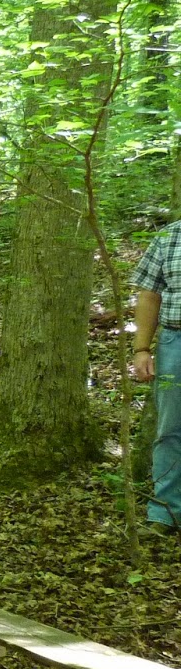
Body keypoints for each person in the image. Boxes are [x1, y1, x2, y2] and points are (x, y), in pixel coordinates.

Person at [133, 220, 181, 534]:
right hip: (174, 343)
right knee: (170, 427)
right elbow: (149, 295)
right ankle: (166, 512)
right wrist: (141, 349)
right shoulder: (170, 236)